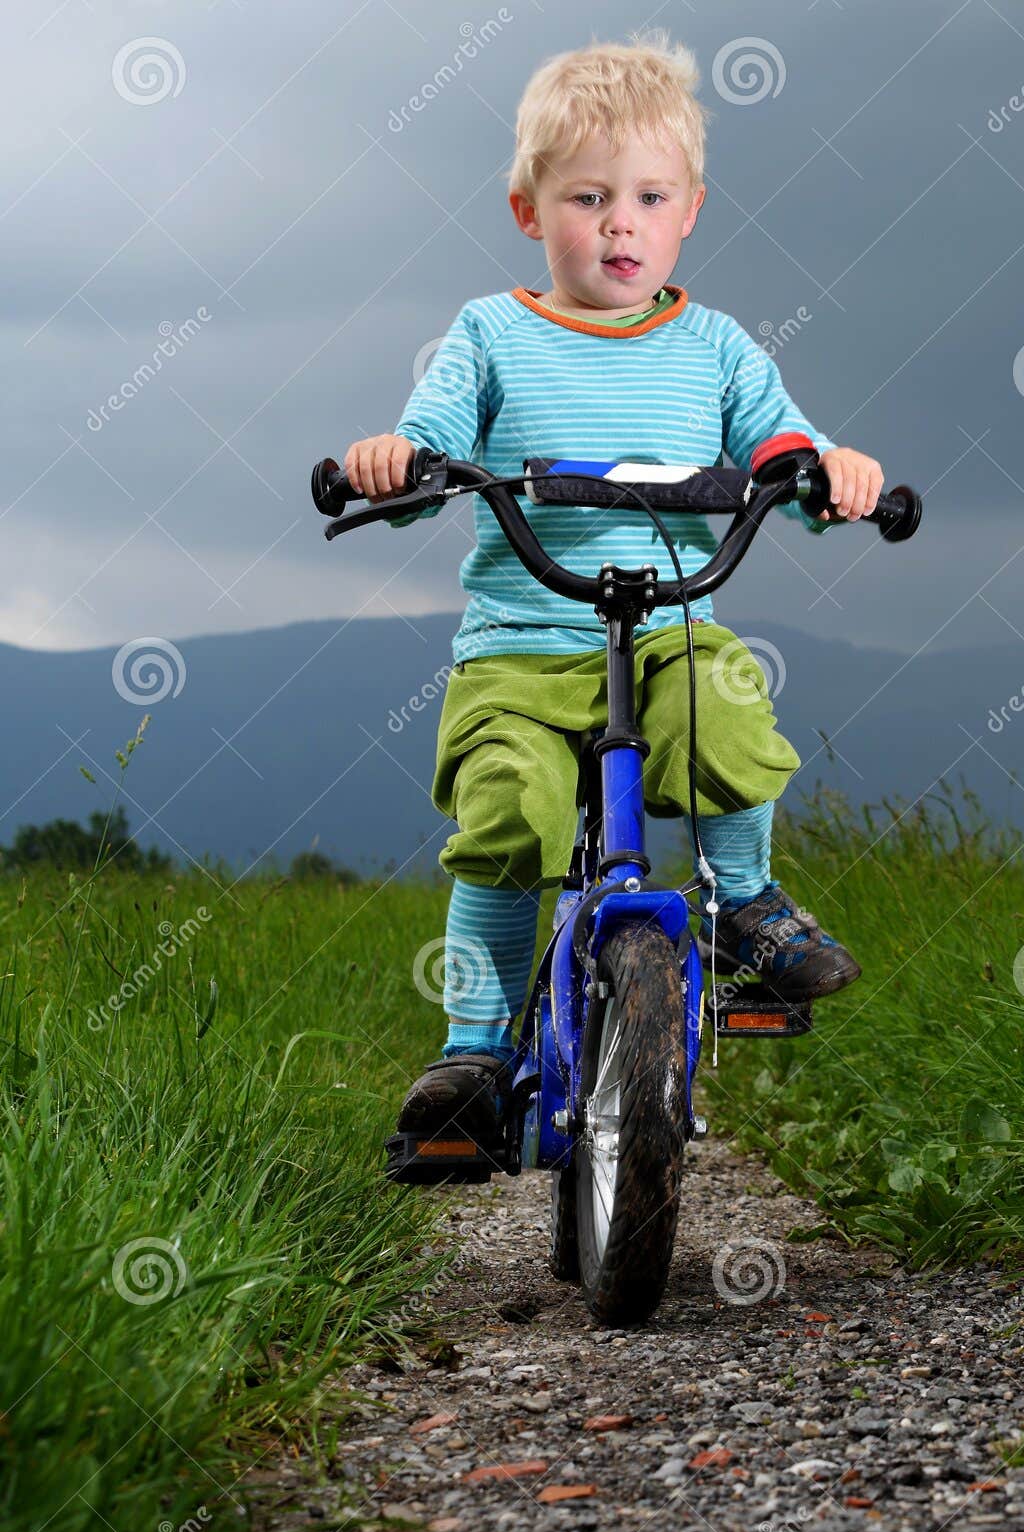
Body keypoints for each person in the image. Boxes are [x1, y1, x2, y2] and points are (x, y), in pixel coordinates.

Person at [342, 33, 883, 1182]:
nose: (619, 224)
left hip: (674, 626)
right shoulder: (490, 335)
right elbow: (430, 442)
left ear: (690, 211)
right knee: (503, 817)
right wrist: (398, 463)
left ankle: (746, 907)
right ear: (529, 208)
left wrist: (828, 474)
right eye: (587, 198)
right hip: (523, 647)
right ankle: (472, 1060)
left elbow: (784, 443)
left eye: (648, 197)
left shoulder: (717, 348)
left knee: (730, 715)